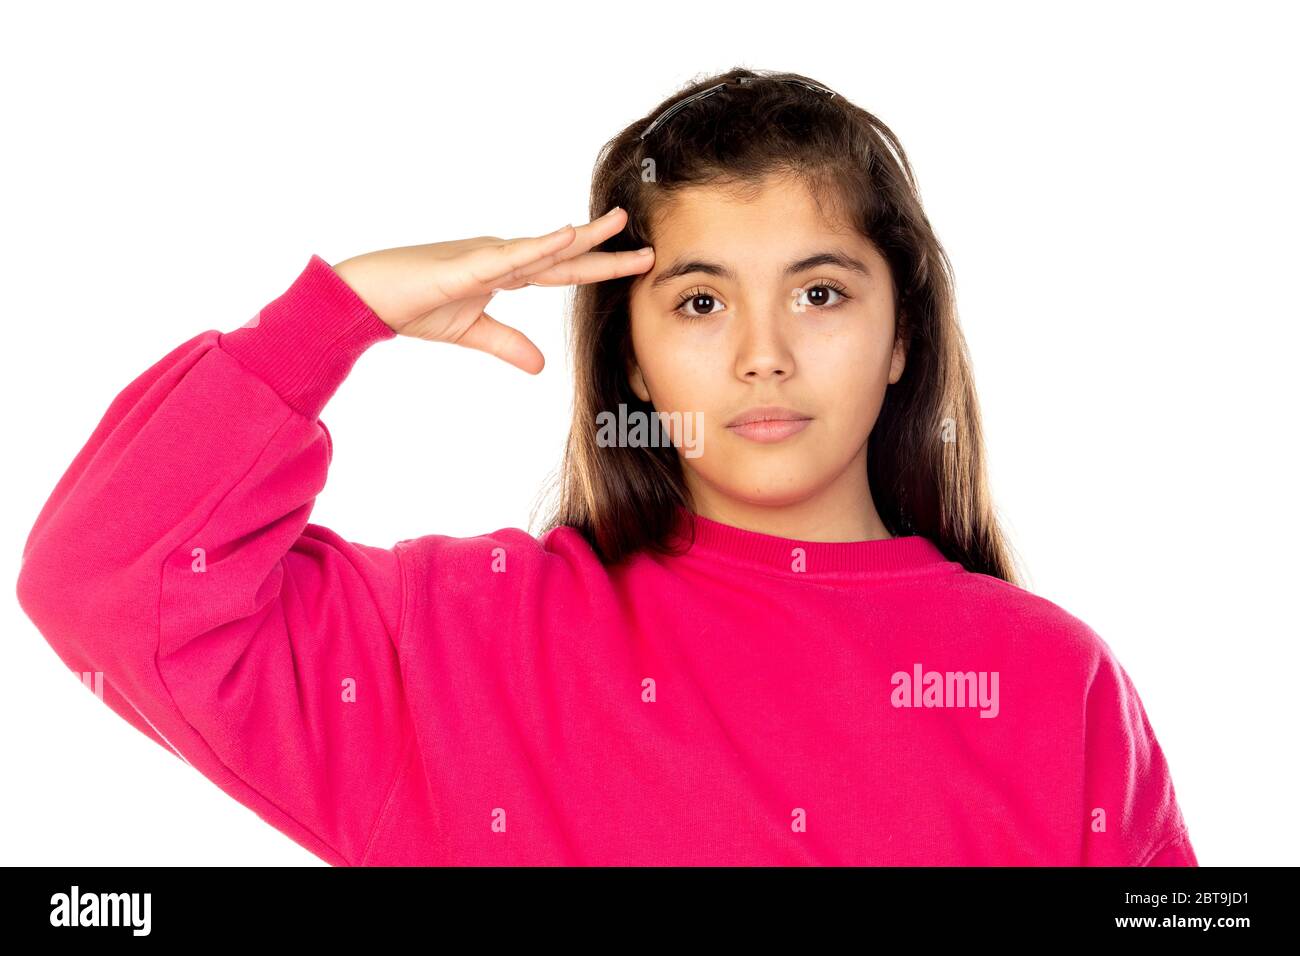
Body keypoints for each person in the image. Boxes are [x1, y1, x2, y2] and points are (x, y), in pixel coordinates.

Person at [15, 67, 1196, 865]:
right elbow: (106, 583)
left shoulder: (1054, 685)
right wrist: (336, 317)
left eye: (821, 291)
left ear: (901, 338)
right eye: (697, 300)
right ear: (627, 358)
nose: (763, 356)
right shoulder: (462, 647)